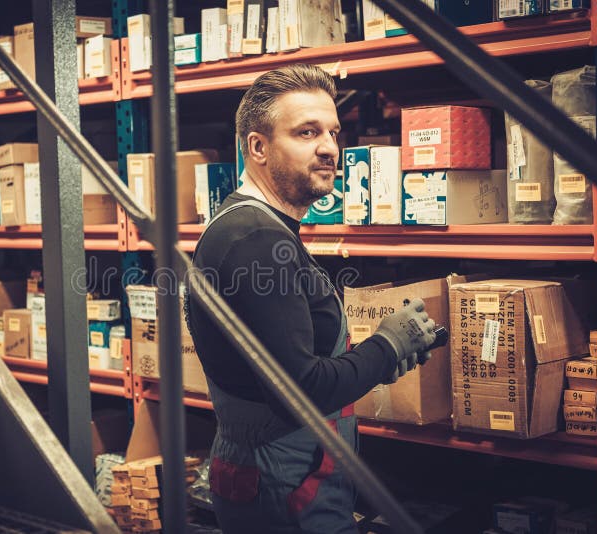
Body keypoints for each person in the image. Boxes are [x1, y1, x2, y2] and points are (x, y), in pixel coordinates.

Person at [185, 63, 436, 533]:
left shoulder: (250, 226)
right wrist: (387, 346)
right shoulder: (254, 239)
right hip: (284, 485)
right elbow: (300, 392)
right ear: (257, 147)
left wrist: (374, 357)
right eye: (306, 132)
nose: (329, 148)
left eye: (333, 132)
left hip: (287, 473)